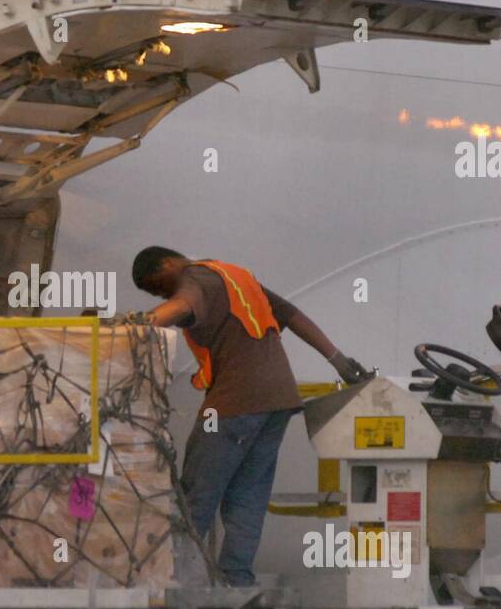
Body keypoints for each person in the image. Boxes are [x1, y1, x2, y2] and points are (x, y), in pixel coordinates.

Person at [124, 246, 369, 587]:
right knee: (247, 496)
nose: (162, 293)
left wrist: (134, 324)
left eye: (157, 285)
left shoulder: (195, 279)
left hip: (237, 401)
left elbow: (181, 304)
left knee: (197, 492)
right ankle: (237, 578)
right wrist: (338, 359)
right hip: (278, 401)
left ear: (168, 263)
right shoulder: (234, 274)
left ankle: (180, 580)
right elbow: (292, 315)